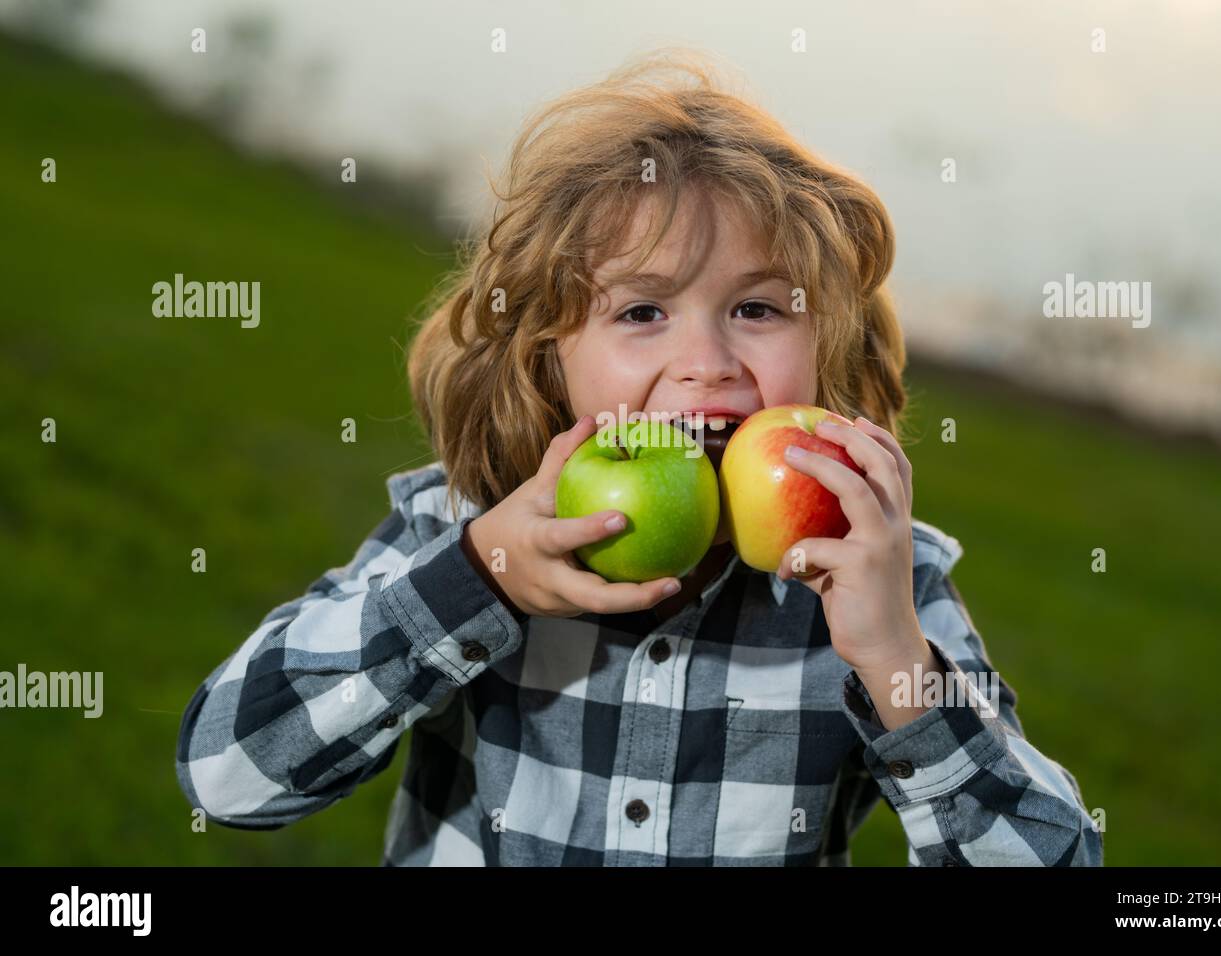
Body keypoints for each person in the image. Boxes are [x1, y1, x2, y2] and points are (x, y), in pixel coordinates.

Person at [176, 50, 1102, 867]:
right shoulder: (462, 534)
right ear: (548, 354)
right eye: (641, 312)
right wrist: (477, 583)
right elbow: (228, 777)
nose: (706, 364)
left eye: (759, 309)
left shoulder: (887, 584)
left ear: (826, 347)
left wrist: (898, 661)